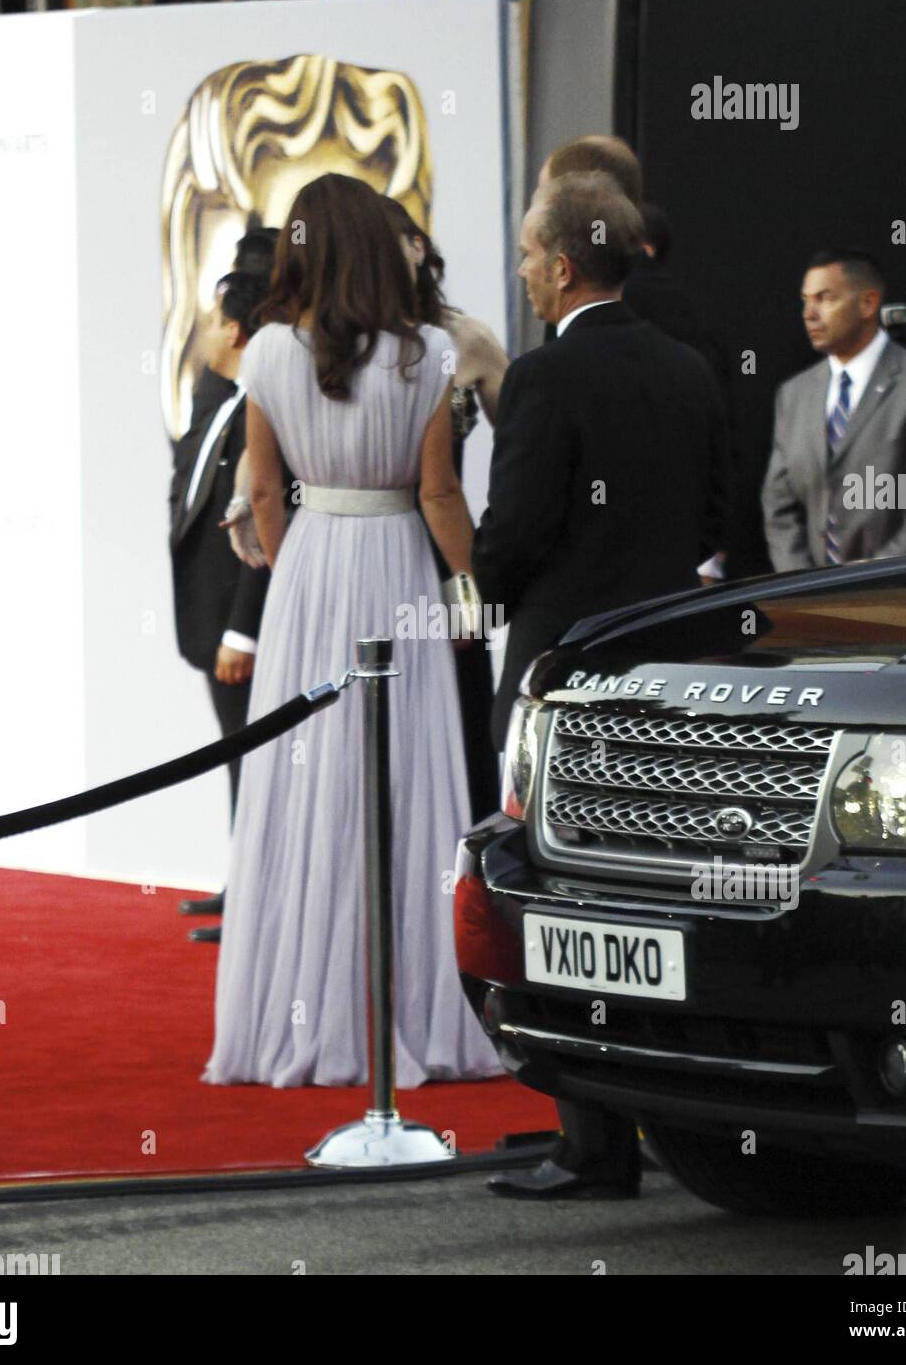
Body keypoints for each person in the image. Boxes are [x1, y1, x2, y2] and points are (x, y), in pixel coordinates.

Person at [203, 173, 502, 1088]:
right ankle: (423, 1015)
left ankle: (291, 1018)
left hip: (309, 570)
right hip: (400, 567)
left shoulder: (266, 354)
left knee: (304, 787)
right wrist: (473, 592)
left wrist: (300, 575)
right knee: (409, 784)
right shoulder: (424, 356)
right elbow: (440, 493)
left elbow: (260, 494)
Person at [476, 170, 727, 1198]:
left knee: (558, 904)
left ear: (565, 264)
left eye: (532, 257)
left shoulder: (544, 378)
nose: (525, 273)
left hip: (560, 679)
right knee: (649, 903)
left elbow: (508, 550)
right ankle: (663, 1122)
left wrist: (475, 556)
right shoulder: (689, 368)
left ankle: (591, 1144)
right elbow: (716, 524)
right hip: (670, 676)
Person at [537, 135, 732, 580]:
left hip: (606, 584)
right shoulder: (684, 307)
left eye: (542, 196)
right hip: (672, 570)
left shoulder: (599, 312)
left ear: (577, 196)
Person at [380, 195, 508, 822]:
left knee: (461, 719)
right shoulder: (343, 341)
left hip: (446, 553)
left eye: (405, 242)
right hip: (370, 547)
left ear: (423, 250)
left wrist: (480, 569)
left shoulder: (466, 339)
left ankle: (466, 891)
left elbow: (524, 449)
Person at [762, 248, 906, 569]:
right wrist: (801, 584)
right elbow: (779, 505)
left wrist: (865, 584)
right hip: (809, 605)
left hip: (893, 603)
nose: (809, 313)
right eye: (806, 300)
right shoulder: (794, 395)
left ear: (868, 303)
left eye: (825, 298)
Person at [169, 270, 271, 941]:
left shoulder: (260, 412)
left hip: (239, 630)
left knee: (256, 764)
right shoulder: (221, 400)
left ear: (235, 330)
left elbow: (261, 527)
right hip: (209, 622)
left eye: (211, 319)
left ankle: (259, 898)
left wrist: (243, 630)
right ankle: (244, 885)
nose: (201, 329)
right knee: (238, 760)